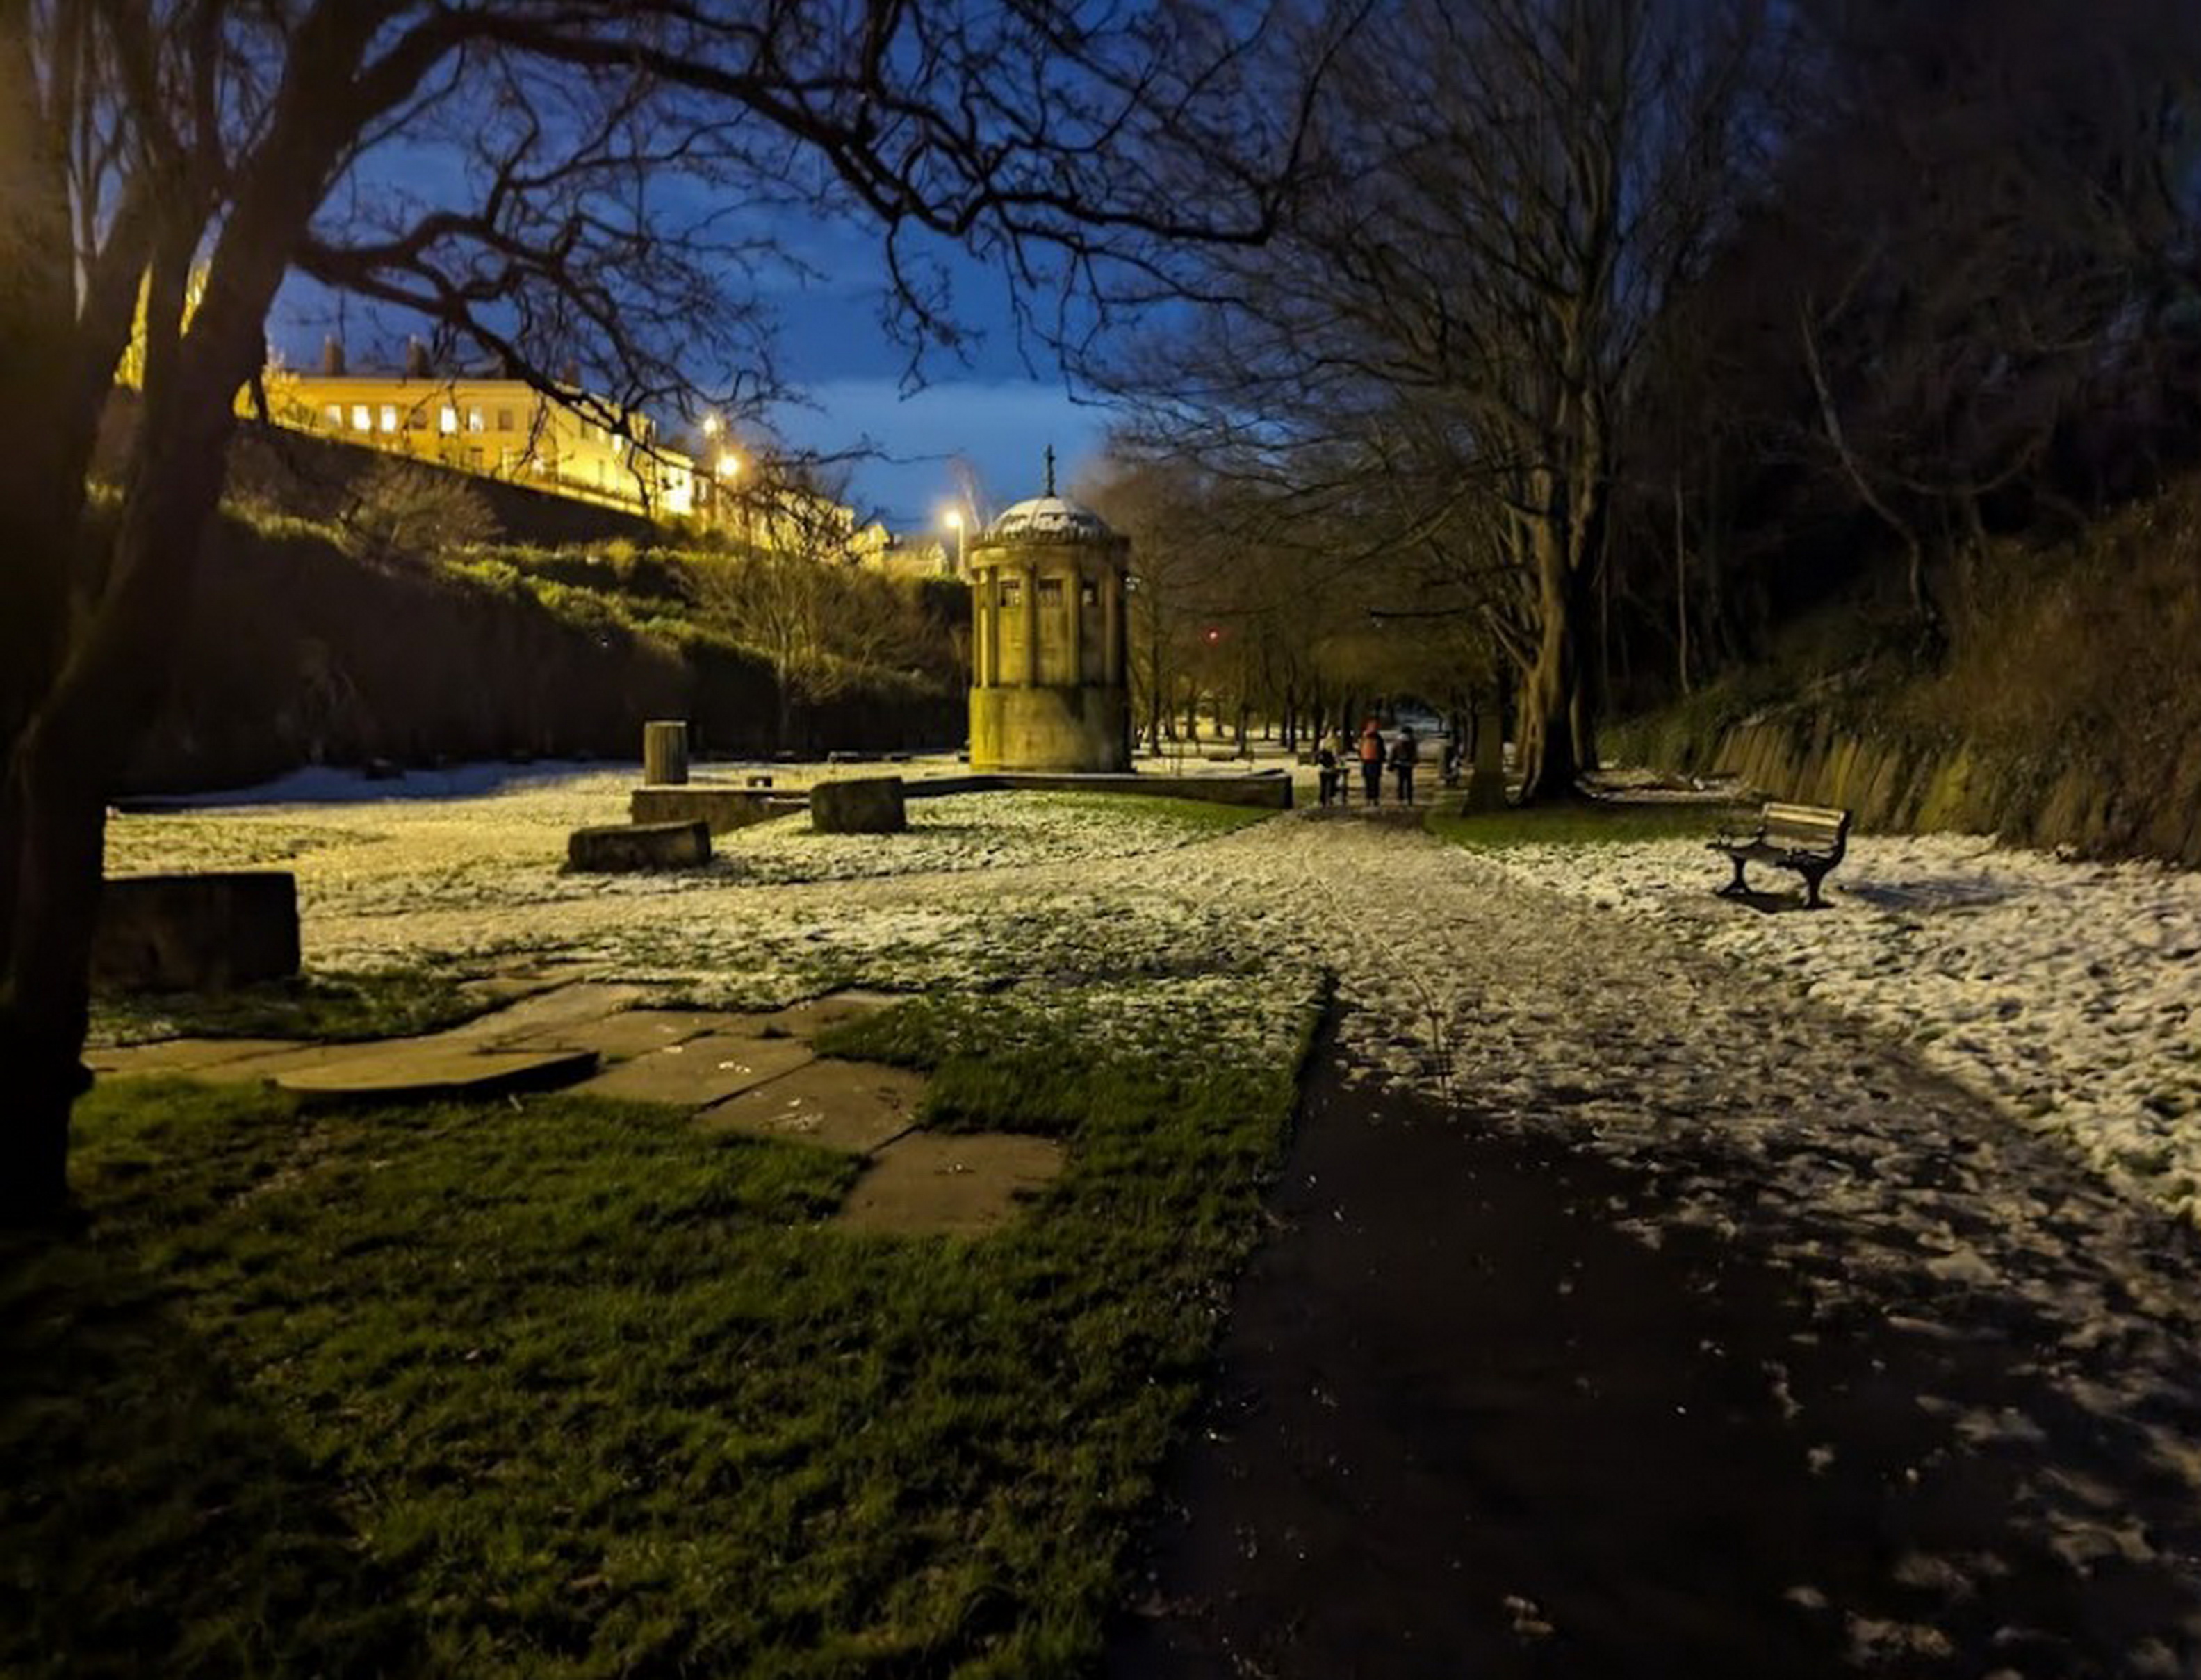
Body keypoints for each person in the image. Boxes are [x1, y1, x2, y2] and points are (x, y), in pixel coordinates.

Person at [1357, 718, 1386, 806]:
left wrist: (1361, 758)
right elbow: (1382, 751)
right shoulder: (1379, 738)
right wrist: (1383, 759)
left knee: (1368, 781)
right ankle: (1375, 798)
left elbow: (1359, 750)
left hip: (1366, 761)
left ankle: (1368, 798)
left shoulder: (1364, 737)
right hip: (1376, 762)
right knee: (1376, 782)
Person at [1391, 723, 1420, 804]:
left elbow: (1393, 753)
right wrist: (1415, 760)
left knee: (1400, 781)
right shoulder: (1412, 741)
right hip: (1409, 764)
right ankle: (1409, 798)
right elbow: (1415, 753)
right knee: (1409, 782)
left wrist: (1391, 764)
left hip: (1399, 763)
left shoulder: (1397, 741)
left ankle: (1400, 797)